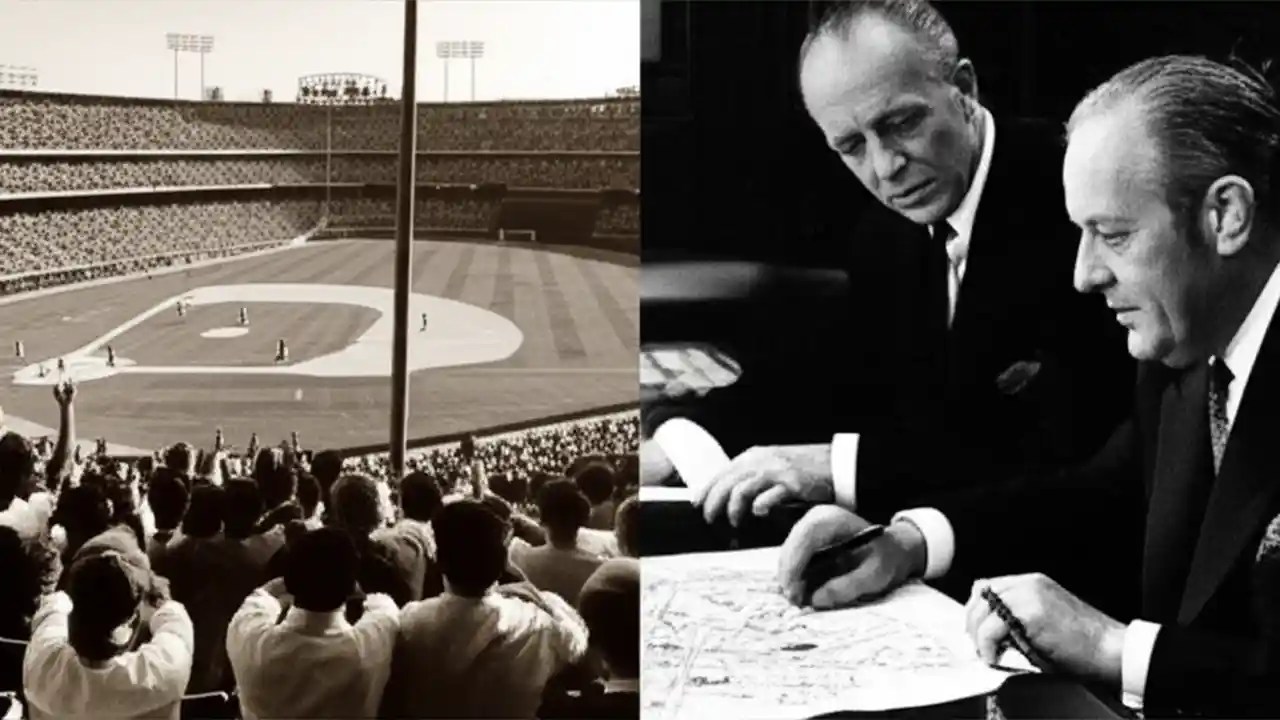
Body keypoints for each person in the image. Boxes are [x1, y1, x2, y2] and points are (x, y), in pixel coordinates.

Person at [777, 54, 1280, 718]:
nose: (1084, 274)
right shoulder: (1182, 355)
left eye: (1114, 235)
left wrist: (1110, 648)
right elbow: (1102, 497)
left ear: (1226, 217)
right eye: (1081, 234)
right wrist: (908, 543)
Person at [645, 0, 1133, 527]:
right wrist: (684, 439)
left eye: (901, 123)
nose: (885, 167)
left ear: (964, 90)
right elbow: (827, 373)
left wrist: (838, 468)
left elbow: (1070, 448)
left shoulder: (1081, 203)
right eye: (852, 145)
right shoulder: (884, 232)